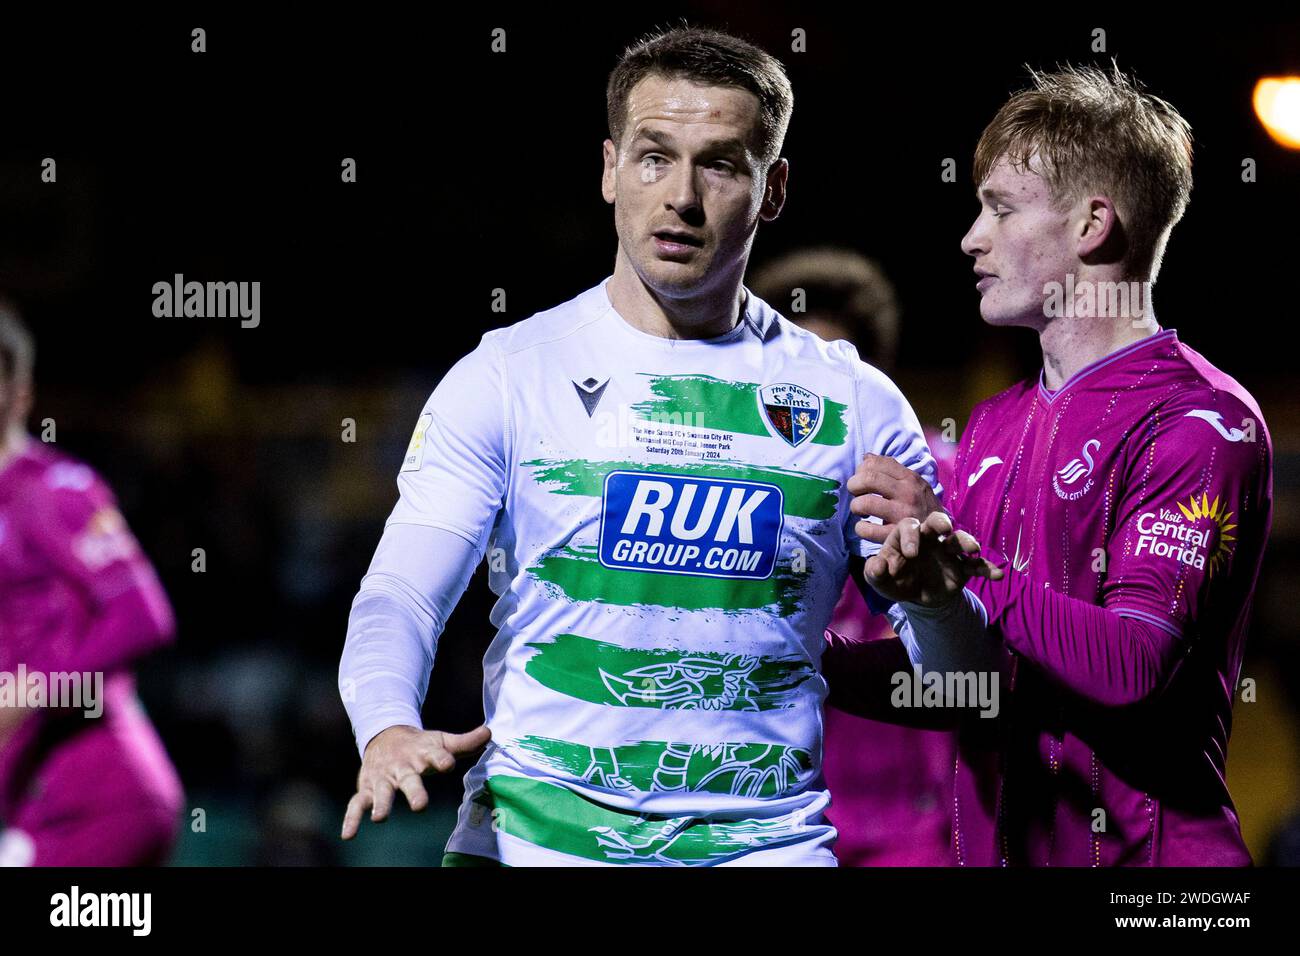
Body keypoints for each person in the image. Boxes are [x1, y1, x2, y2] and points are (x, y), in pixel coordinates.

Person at [337, 26, 948, 866]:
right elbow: (400, 595)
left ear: (772, 190)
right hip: (529, 843)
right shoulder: (509, 375)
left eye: (722, 164)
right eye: (654, 156)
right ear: (608, 168)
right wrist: (388, 725)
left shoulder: (856, 403)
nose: (682, 198)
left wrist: (942, 602)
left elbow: (957, 681)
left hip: (764, 848)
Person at [829, 64, 1273, 866]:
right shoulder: (995, 424)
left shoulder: (1200, 421)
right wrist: (798, 665)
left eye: (1000, 208)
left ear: (1092, 224)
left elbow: (1134, 664)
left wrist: (965, 574)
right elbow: (980, 686)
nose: (971, 235)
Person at [749, 250, 955, 866]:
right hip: (773, 828)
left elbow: (970, 665)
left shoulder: (943, 480)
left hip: (921, 839)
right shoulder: (731, 504)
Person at [0, 302, 183, 866]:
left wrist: (34, 692)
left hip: (99, 798)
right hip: (33, 801)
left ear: (18, 391)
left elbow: (143, 616)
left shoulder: (53, 490)